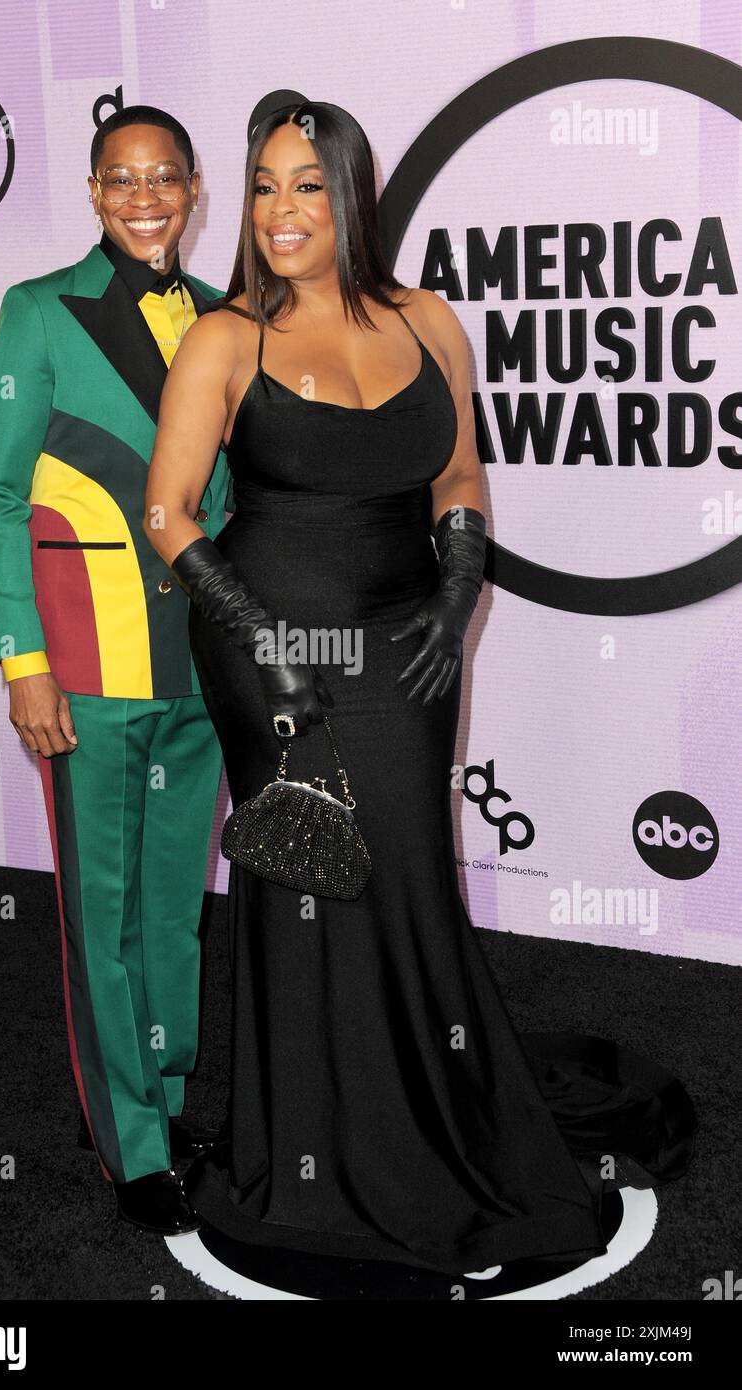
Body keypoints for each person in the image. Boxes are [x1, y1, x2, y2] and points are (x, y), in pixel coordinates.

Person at [142, 101, 695, 1290]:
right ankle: (317, 1156)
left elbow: (457, 471)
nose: (280, 213)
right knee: (308, 884)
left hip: (412, 643)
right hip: (268, 647)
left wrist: (457, 596)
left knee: (407, 876)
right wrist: (266, 643)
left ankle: (428, 1107)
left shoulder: (428, 319)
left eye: (306, 187)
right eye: (261, 188)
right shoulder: (225, 339)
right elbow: (169, 513)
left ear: (352, 195)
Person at [0, 105, 233, 1235]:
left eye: (163, 175)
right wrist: (22, 663)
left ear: (192, 188)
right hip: (83, 672)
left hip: (198, 669)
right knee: (105, 913)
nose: (144, 194)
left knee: (176, 912)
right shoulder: (36, 314)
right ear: (91, 191)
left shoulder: (230, 320)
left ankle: (166, 1101)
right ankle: (129, 1147)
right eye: (121, 177)